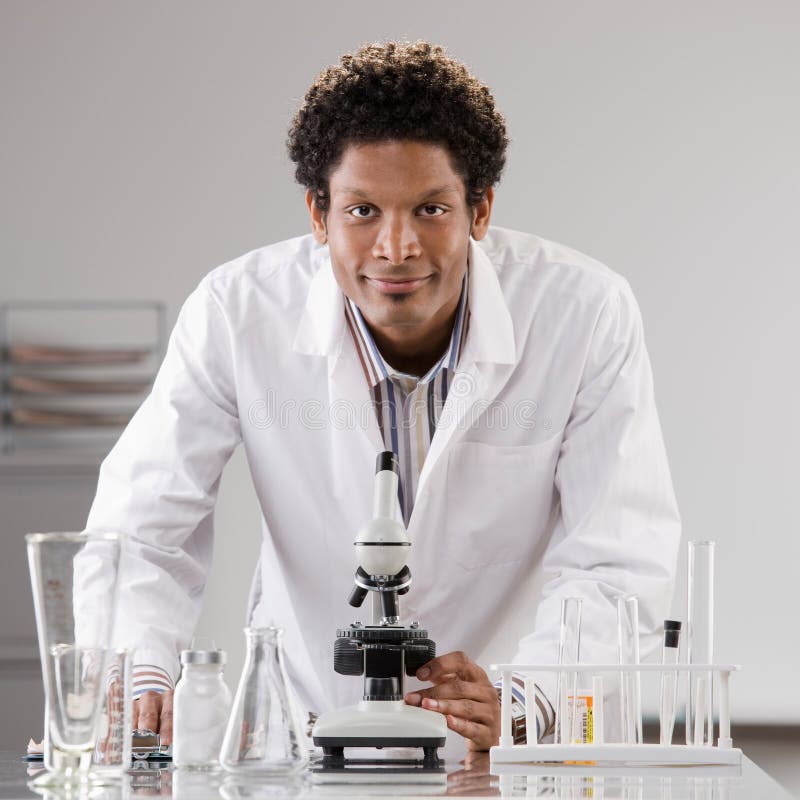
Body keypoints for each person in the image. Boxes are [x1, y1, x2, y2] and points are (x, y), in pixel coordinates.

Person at [85, 40, 681, 751]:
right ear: (318, 214)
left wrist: (528, 700)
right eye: (362, 210)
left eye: (430, 209)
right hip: (304, 728)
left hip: (499, 737)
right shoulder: (237, 312)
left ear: (480, 209)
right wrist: (143, 675)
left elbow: (617, 558)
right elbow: (145, 526)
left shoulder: (582, 313)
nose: (395, 247)